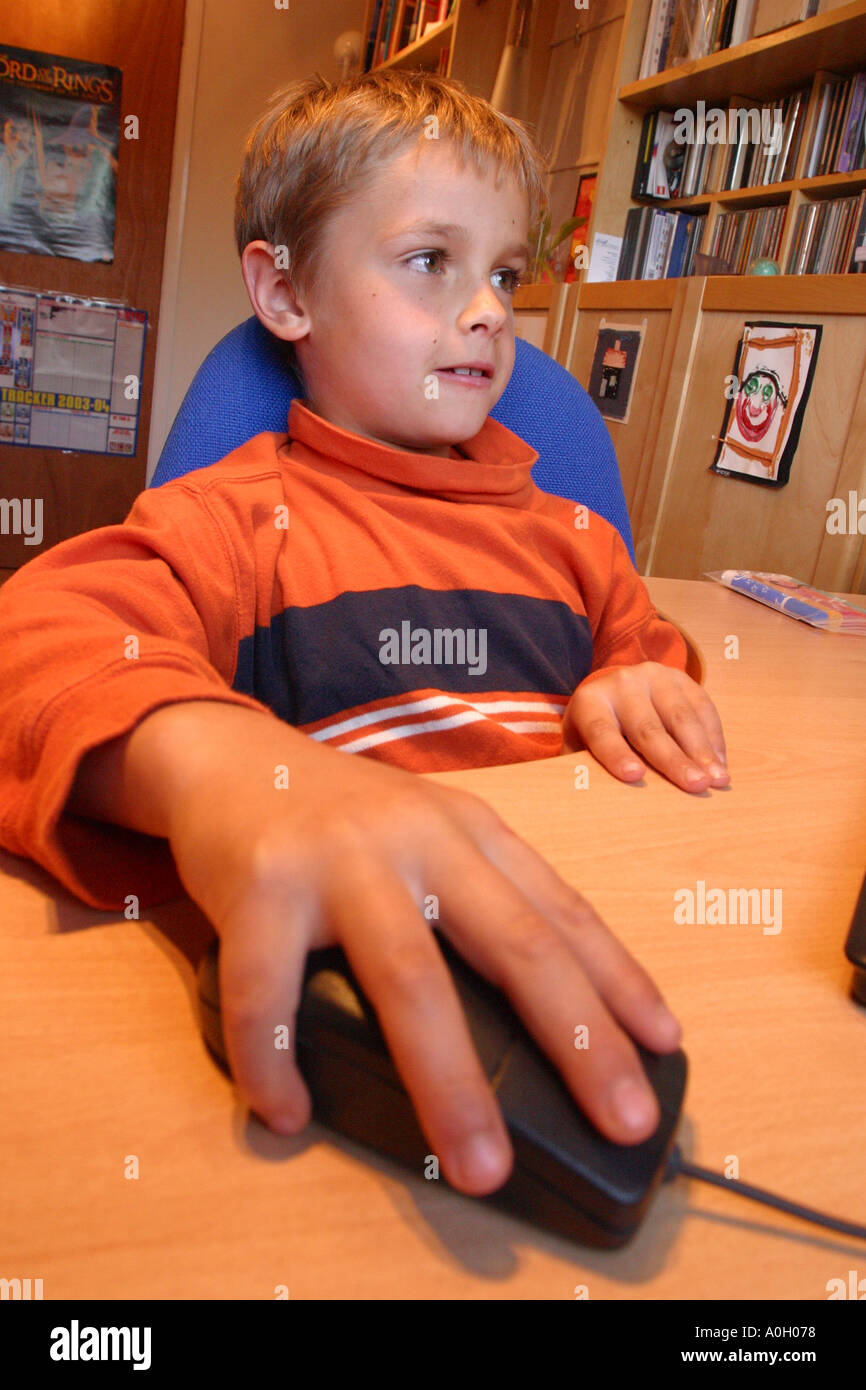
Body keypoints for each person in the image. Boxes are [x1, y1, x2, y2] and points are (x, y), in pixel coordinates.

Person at [0, 71, 729, 1198]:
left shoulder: (575, 537)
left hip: (594, 945)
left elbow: (649, 643)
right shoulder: (237, 521)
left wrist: (633, 677)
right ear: (284, 291)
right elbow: (40, 636)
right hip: (374, 989)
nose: (486, 310)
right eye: (430, 262)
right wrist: (227, 767)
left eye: (501, 274)